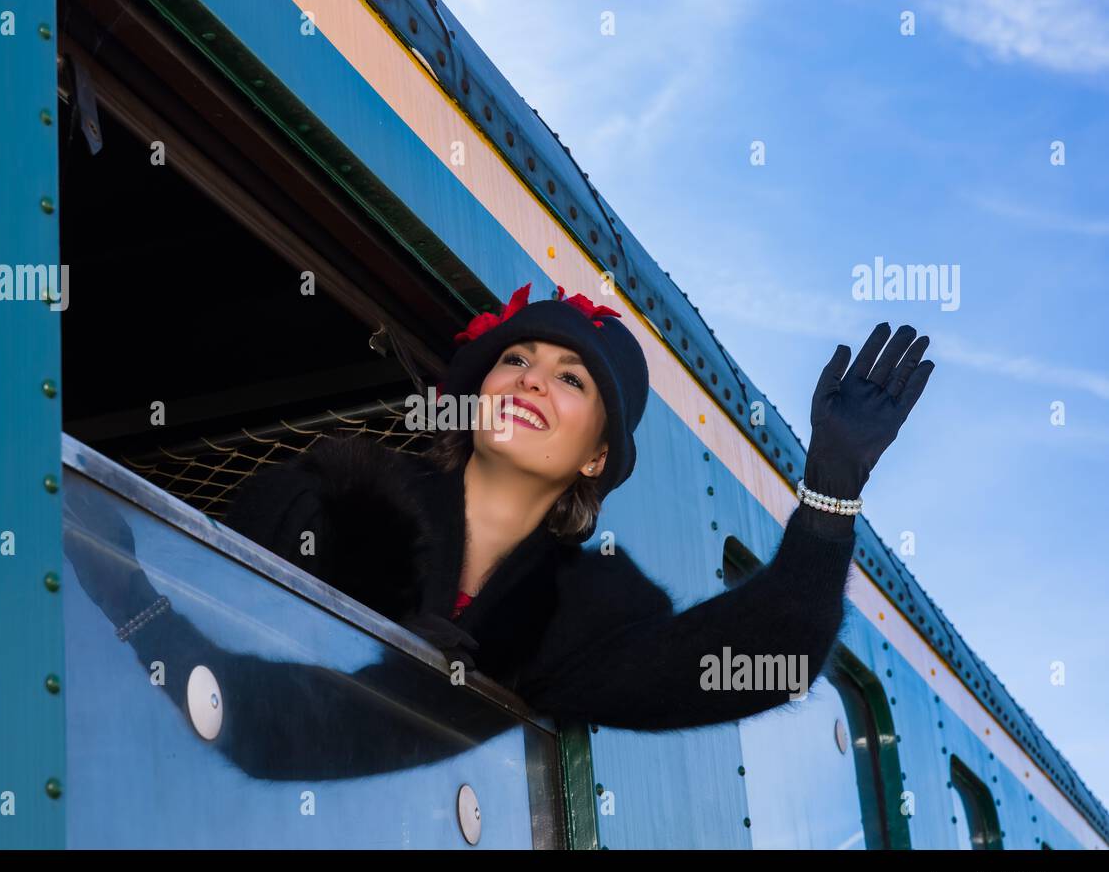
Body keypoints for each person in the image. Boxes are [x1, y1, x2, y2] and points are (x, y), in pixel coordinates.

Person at [64, 283, 933, 777]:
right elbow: (237, 685)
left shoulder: (588, 613)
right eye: (515, 358)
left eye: (571, 379)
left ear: (596, 457)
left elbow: (760, 658)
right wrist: (128, 592)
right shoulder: (322, 496)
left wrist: (831, 491)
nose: (530, 379)